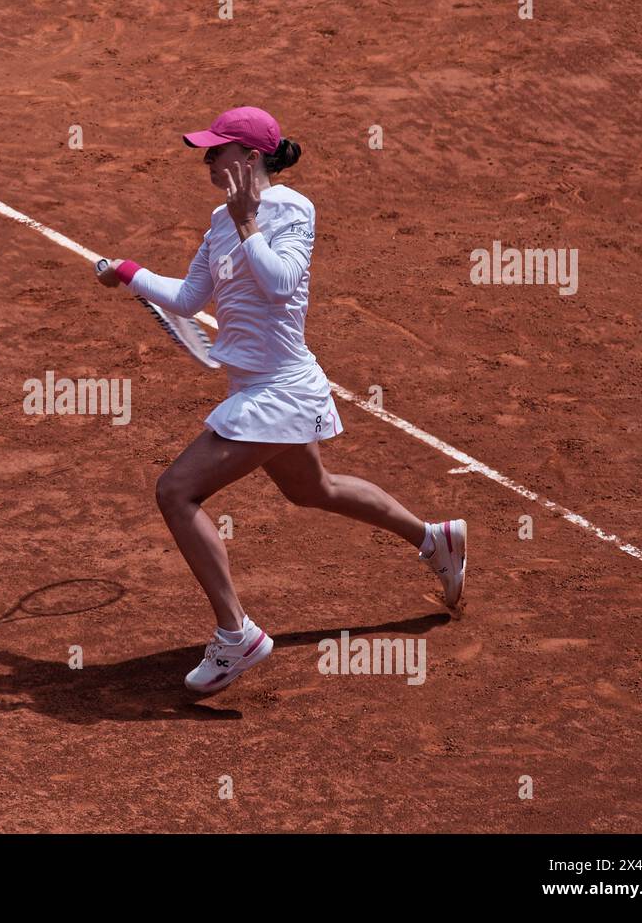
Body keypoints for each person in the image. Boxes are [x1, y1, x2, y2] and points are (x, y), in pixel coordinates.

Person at [96, 106, 467, 695]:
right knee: (312, 489)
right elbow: (191, 298)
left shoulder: (292, 209)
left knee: (176, 491)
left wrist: (249, 223)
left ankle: (235, 632)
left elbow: (281, 283)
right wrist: (129, 271)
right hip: (254, 387)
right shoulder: (221, 217)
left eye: (216, 149)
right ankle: (433, 538)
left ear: (249, 158)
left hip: (281, 390)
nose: (206, 158)